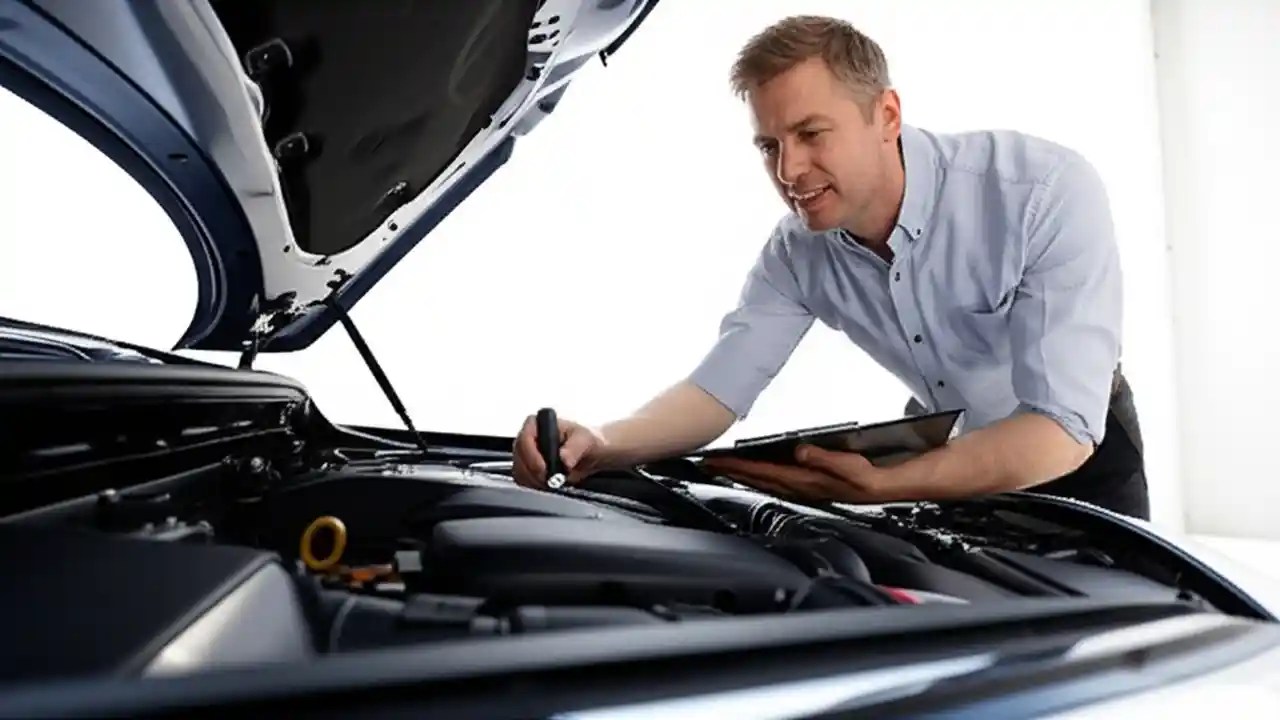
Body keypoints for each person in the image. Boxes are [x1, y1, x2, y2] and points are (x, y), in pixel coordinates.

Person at [511, 15, 1150, 520]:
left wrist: (887, 486)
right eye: (770, 146)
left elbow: (1061, 428)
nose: (788, 172)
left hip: (1079, 460)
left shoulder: (1042, 191)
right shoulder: (796, 253)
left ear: (887, 116)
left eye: (811, 134)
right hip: (947, 458)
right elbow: (715, 394)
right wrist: (602, 440)